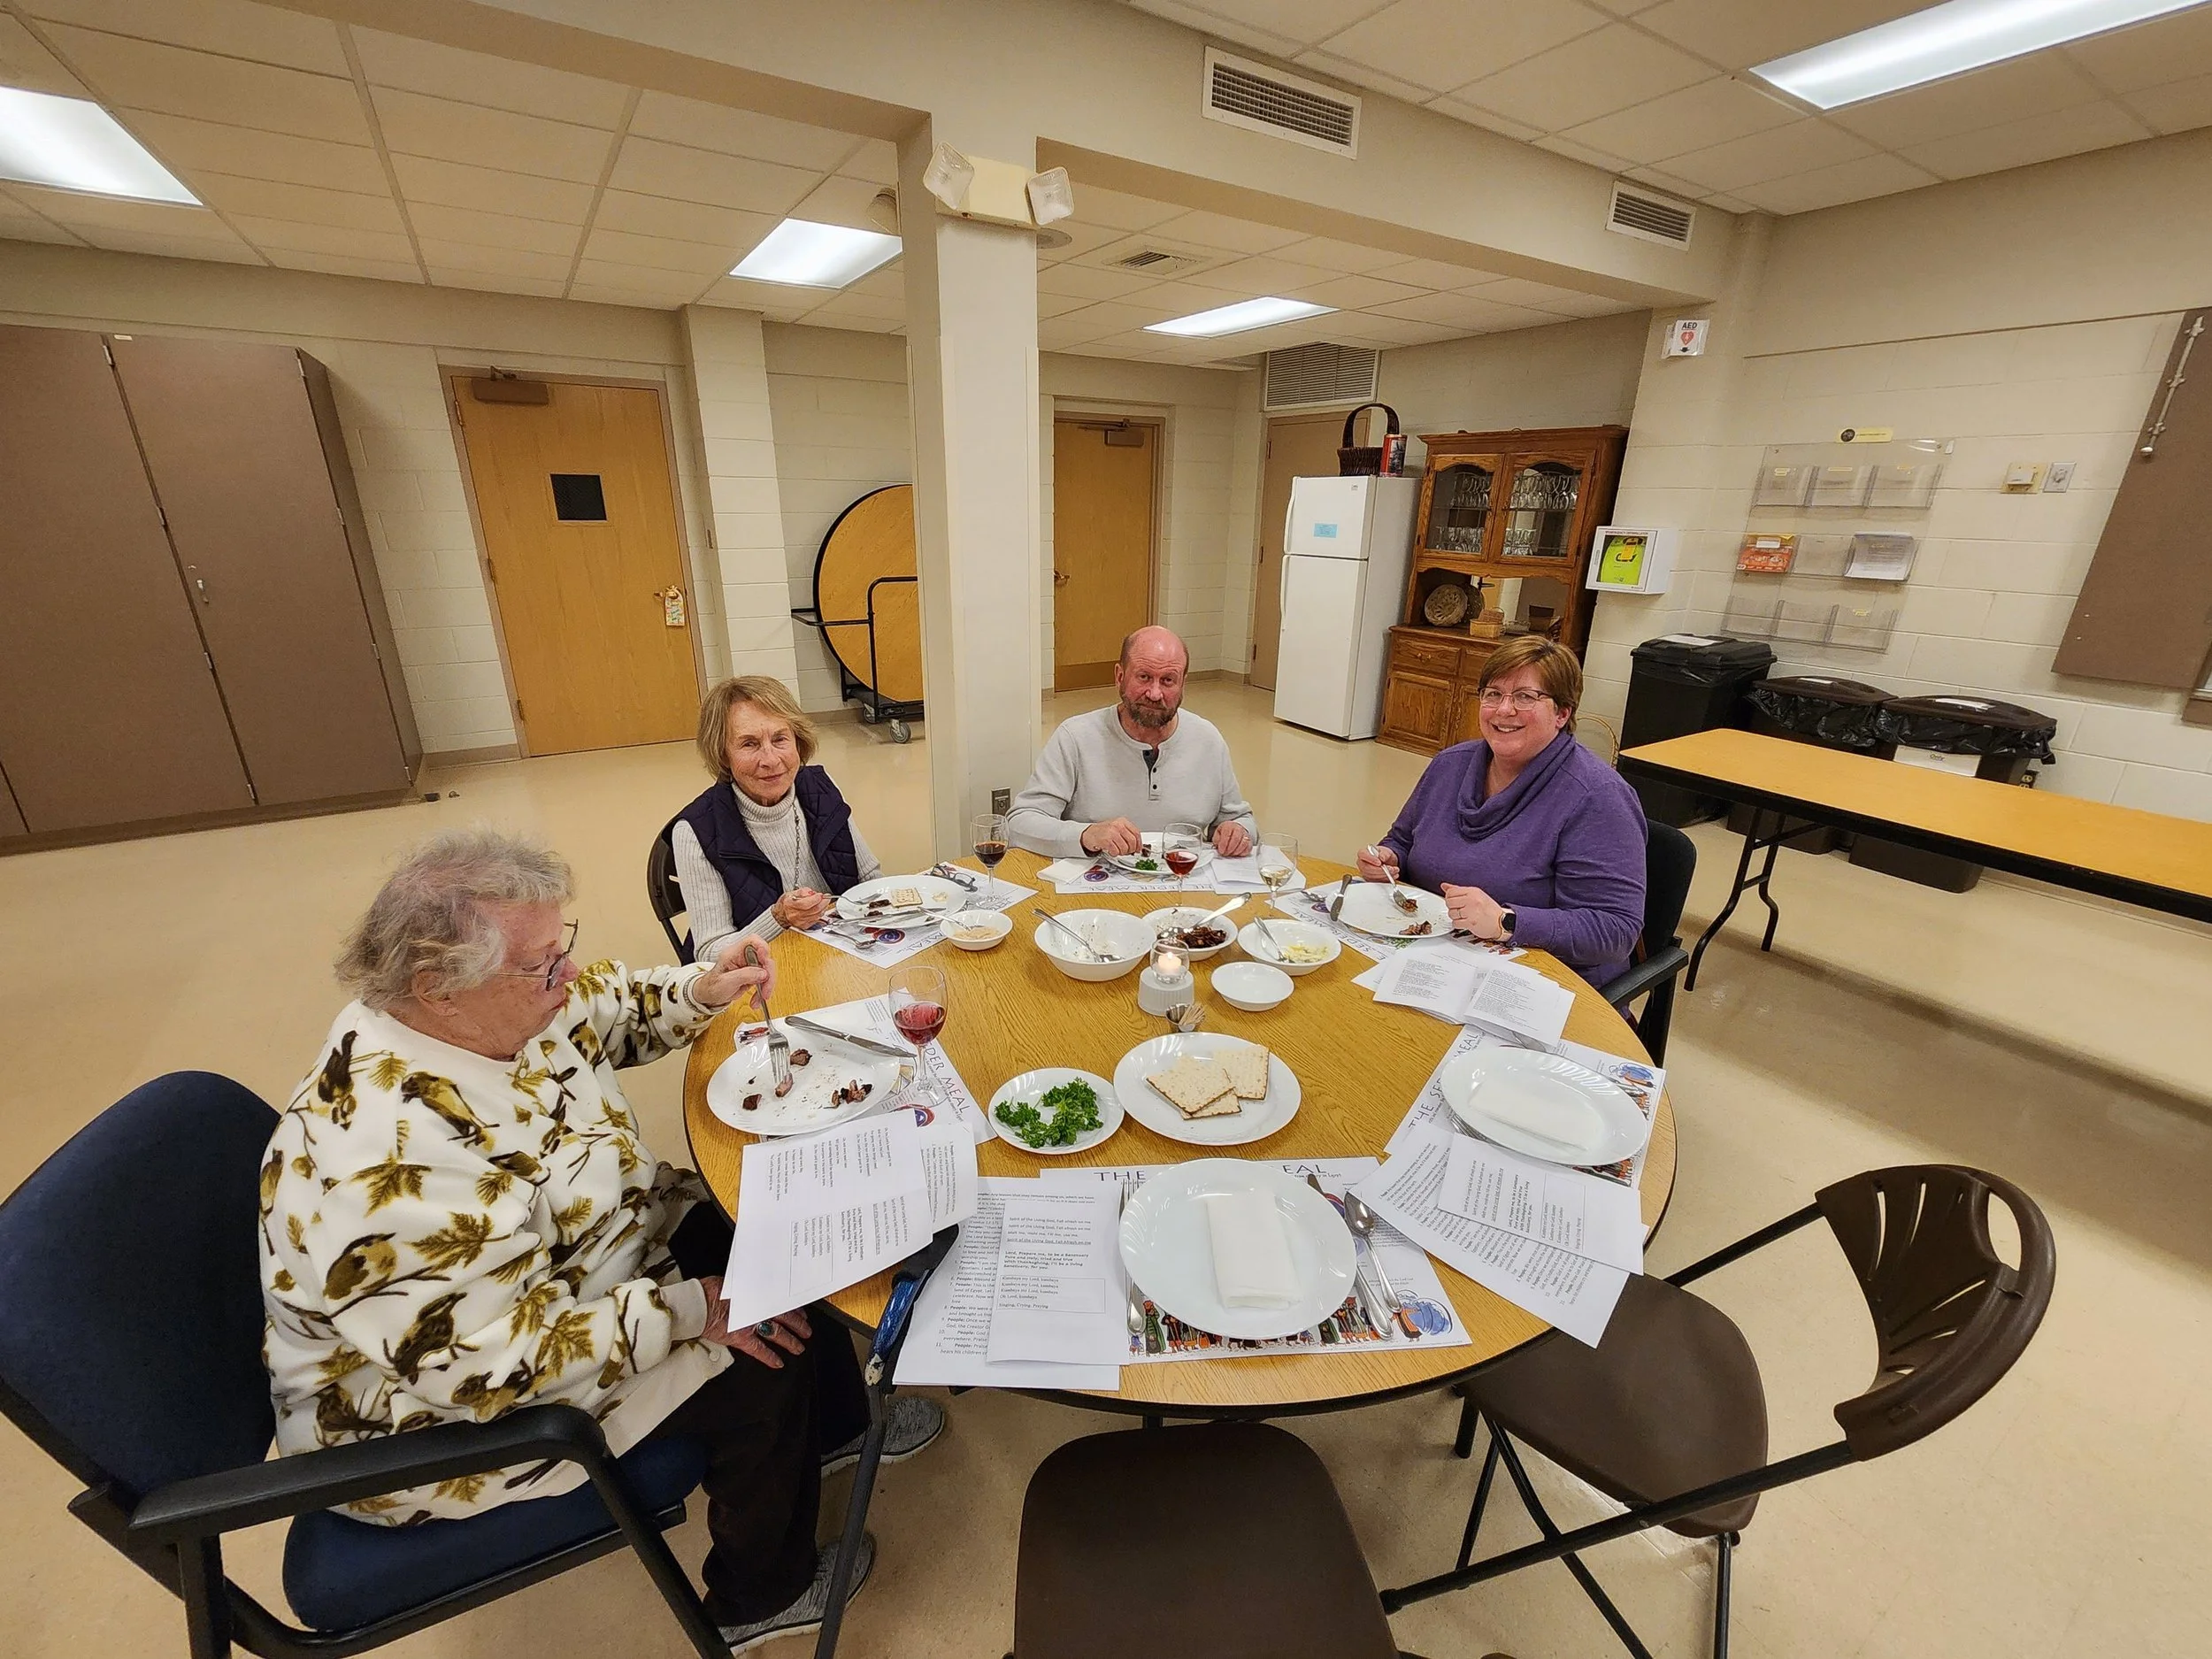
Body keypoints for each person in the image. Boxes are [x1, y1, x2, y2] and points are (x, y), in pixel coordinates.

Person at [257, 829, 942, 1652]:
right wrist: (695, 1309)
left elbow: (608, 1009)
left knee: (777, 1225)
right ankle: (761, 1593)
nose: (568, 974)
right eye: (544, 965)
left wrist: (702, 987)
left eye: (562, 947)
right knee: (759, 1362)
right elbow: (489, 1368)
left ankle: (833, 1433)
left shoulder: (490, 1009)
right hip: (445, 1415)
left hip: (583, 1267)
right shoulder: (387, 1159)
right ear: (435, 985)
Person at [1357, 636, 1647, 986]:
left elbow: (1615, 931)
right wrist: (1389, 858)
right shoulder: (1450, 765)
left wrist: (1506, 922)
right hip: (1438, 955)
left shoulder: (1598, 798)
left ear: (1562, 713)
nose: (1503, 710)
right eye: (1493, 694)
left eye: (1525, 697)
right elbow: (1403, 839)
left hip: (1545, 980)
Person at [671, 675, 883, 960]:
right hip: (759, 976)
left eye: (780, 739)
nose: (770, 760)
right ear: (723, 755)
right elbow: (709, 953)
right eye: (749, 744)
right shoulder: (695, 831)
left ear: (798, 740)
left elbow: (869, 878)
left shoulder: (820, 787)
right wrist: (779, 918)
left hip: (837, 955)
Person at [1006, 625, 1257, 859]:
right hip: (1097, 887)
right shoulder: (1075, 737)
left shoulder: (1207, 739)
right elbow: (1020, 823)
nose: (1155, 694)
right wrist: (1085, 835)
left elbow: (1242, 820)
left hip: (1182, 883)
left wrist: (1236, 832)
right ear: (1119, 676)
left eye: (1168, 680)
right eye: (1144, 677)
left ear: (1183, 685)